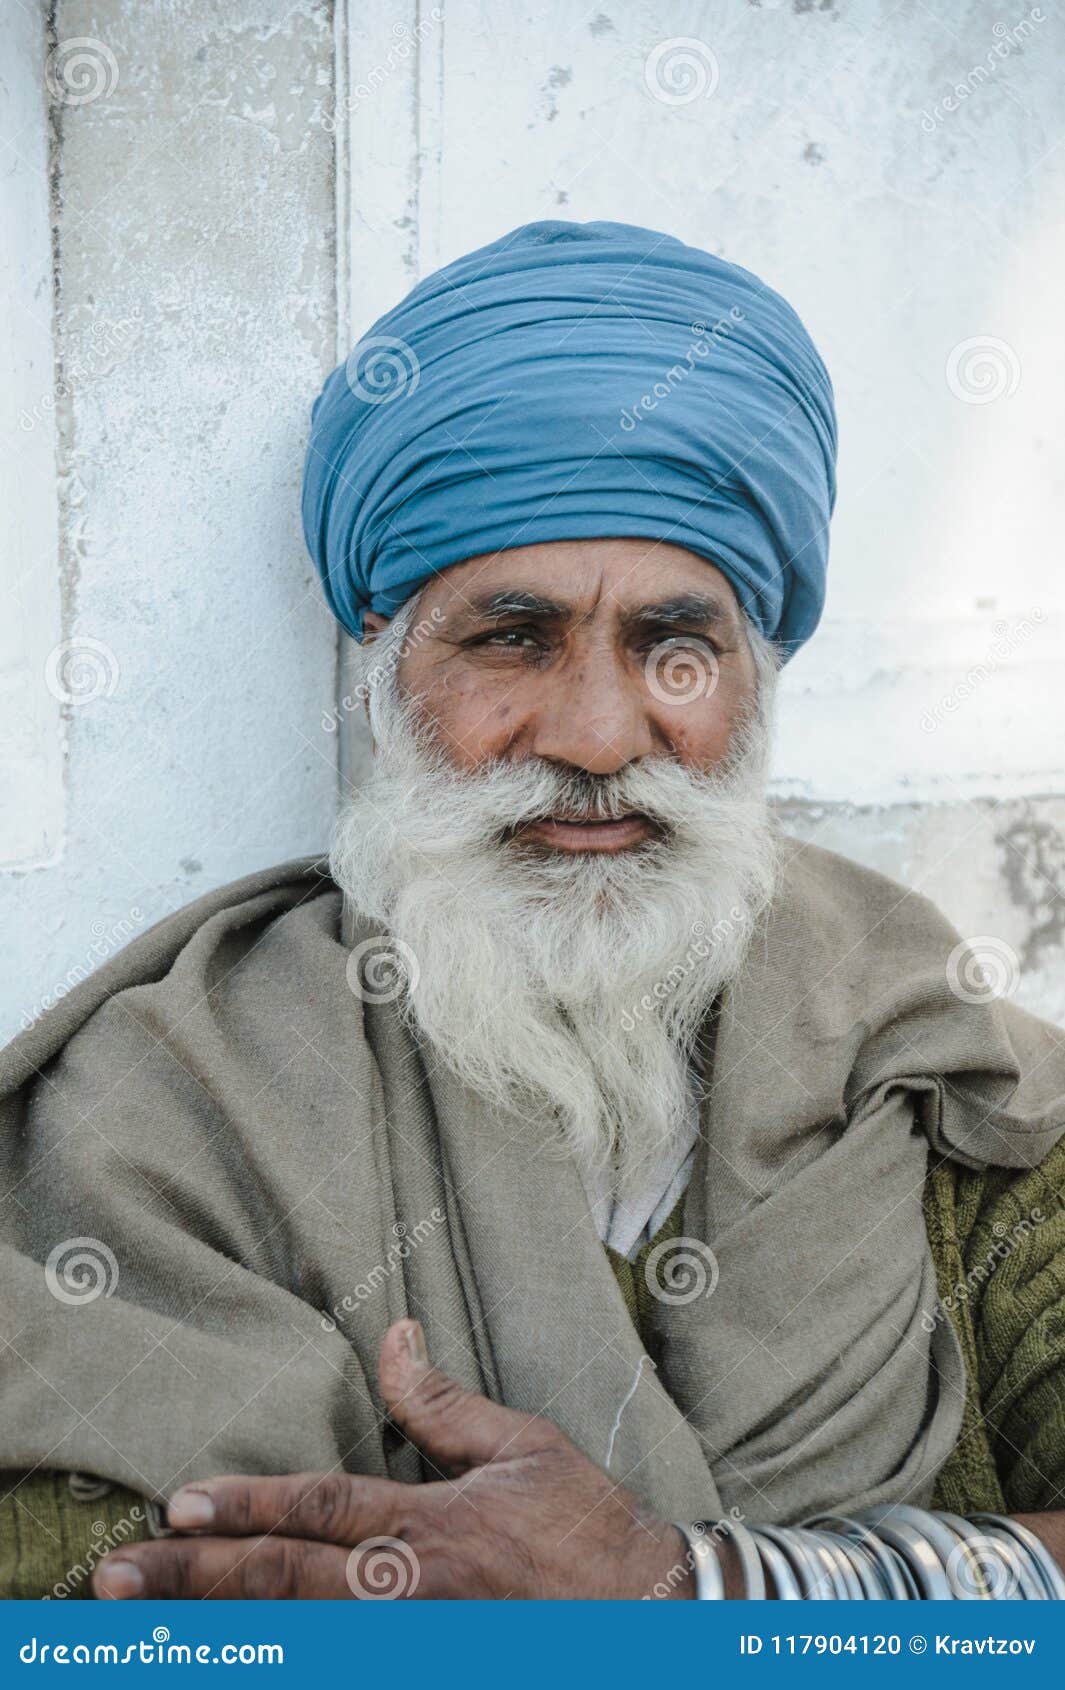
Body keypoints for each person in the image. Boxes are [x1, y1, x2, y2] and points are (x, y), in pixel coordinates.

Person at [2, 222, 1064, 1601]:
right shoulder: (172, 1115)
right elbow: (70, 1606)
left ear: (757, 677)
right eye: (511, 636)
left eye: (674, 646)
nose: (597, 731)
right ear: (382, 675)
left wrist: (687, 1590)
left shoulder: (951, 1079)